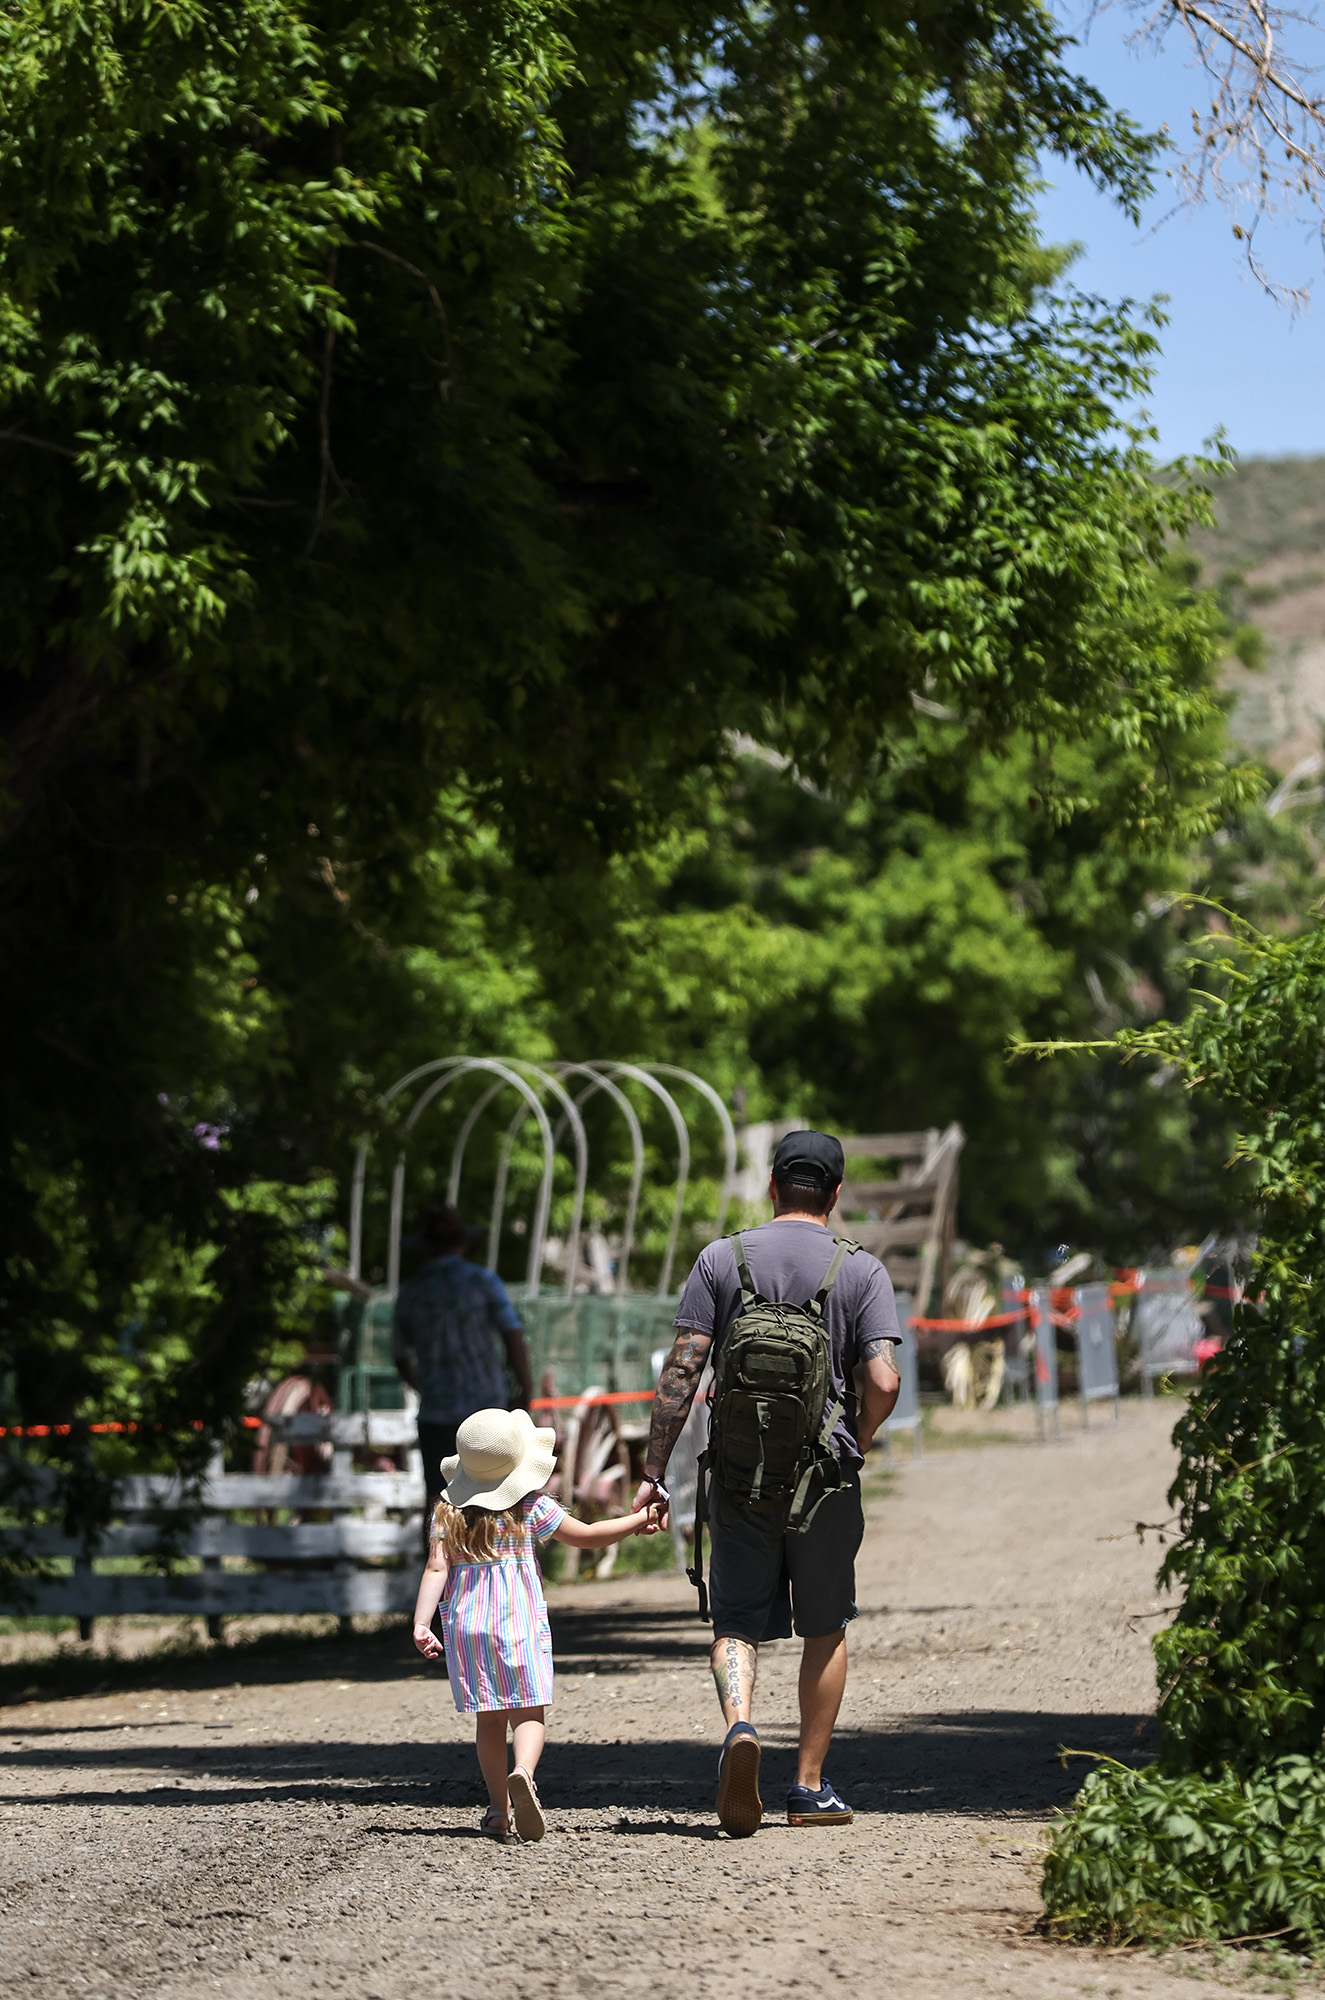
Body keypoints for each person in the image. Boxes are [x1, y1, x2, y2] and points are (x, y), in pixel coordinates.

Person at [634, 1129, 902, 1836]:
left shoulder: (722, 1259)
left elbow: (682, 1371)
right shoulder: (861, 1271)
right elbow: (883, 1377)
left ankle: (740, 1728)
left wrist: (653, 1470)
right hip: (824, 1475)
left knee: (734, 1622)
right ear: (835, 1194)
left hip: (739, 1475)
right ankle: (807, 1787)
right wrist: (860, 1440)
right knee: (825, 1626)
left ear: (772, 1186)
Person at [412, 1406, 659, 1840]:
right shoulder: (530, 1507)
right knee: (528, 1710)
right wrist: (639, 1520)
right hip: (518, 1621)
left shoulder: (447, 1513)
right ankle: (524, 1774)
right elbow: (586, 1535)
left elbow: (436, 1569)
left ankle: (497, 1809)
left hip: (468, 1626)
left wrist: (421, 1624)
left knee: (488, 1720)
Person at [392, 1199, 535, 1517]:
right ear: (461, 1244)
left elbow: (401, 1358)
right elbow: (512, 1334)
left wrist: (427, 1387)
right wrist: (525, 1387)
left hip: (437, 1417)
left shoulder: (411, 1292)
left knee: (440, 1502)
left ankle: (438, 1565)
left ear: (427, 1248)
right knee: (496, 1497)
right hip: (487, 1412)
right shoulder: (482, 1282)